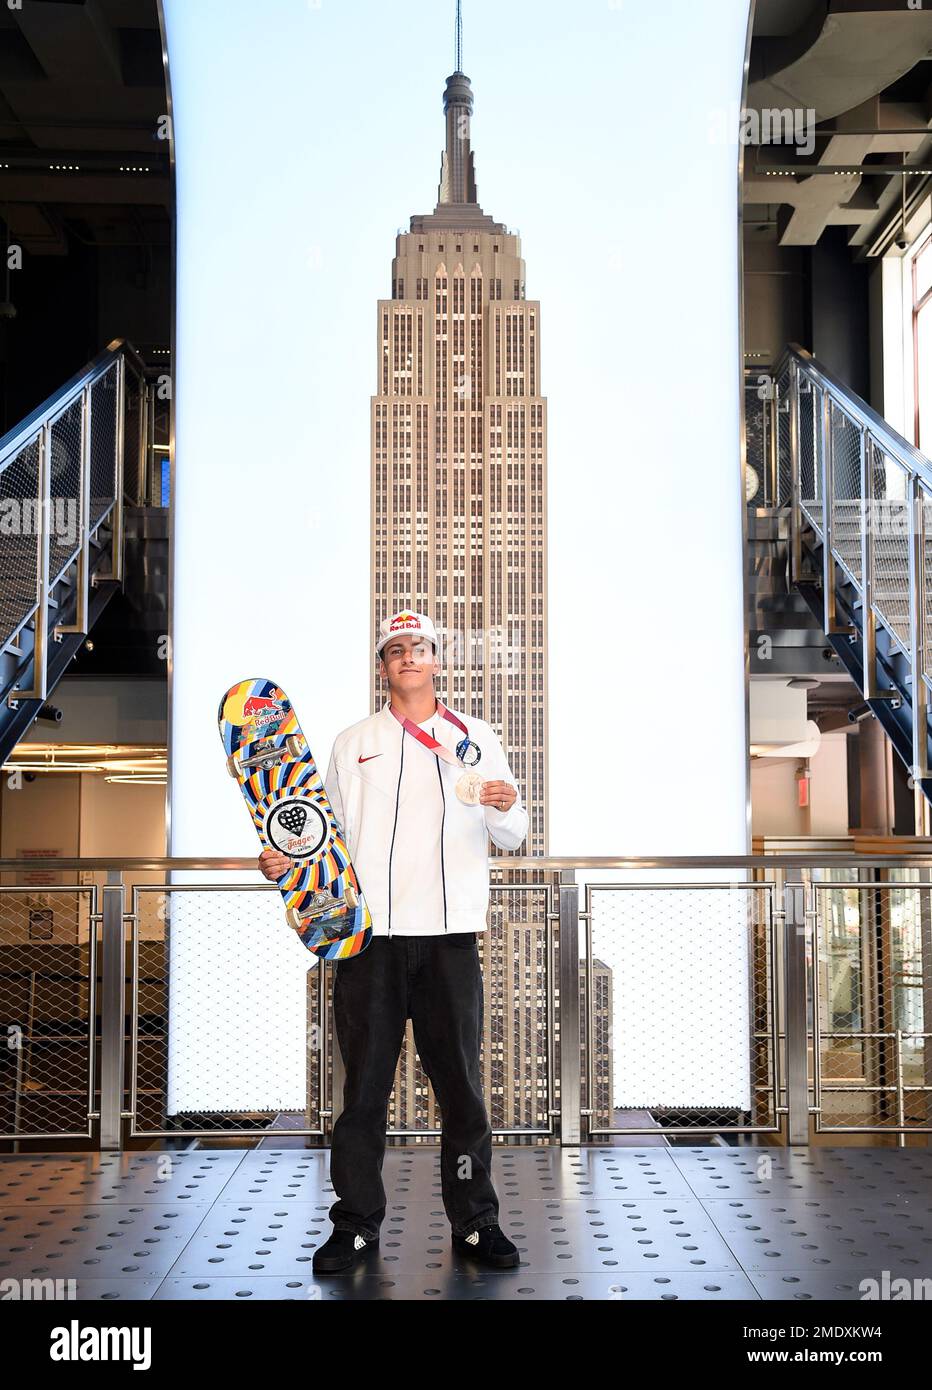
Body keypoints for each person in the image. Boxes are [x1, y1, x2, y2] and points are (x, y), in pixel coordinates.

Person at [258, 608, 529, 1274]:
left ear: (437, 661)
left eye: (420, 648)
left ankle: (475, 1221)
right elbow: (324, 835)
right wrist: (285, 861)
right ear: (382, 666)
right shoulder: (353, 742)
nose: (408, 657)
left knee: (462, 1091)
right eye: (395, 649)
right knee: (363, 1095)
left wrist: (502, 803)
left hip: (448, 941)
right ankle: (353, 1225)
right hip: (368, 943)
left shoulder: (476, 736)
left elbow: (513, 835)